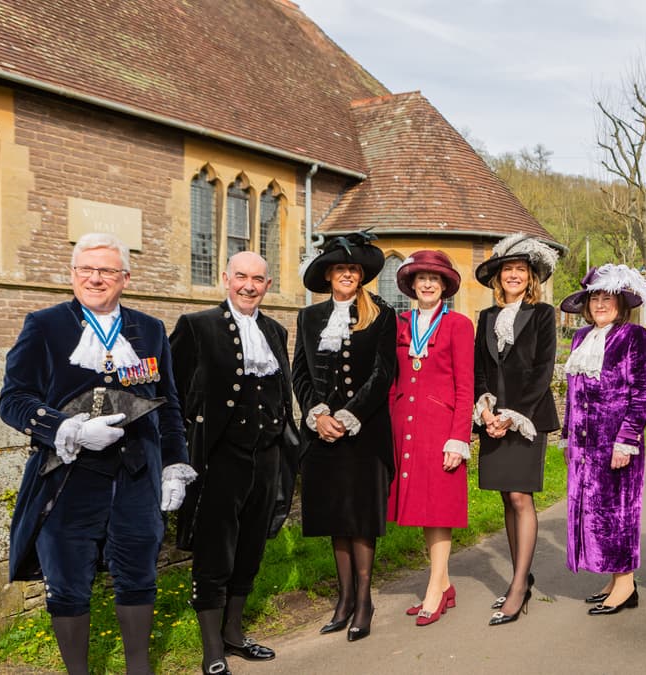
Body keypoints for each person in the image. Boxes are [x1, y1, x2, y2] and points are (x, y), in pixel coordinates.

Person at [0, 233, 193, 675]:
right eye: (86, 269)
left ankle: (139, 670)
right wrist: (65, 428)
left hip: (137, 475)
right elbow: (13, 400)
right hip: (68, 476)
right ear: (72, 275)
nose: (95, 278)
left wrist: (175, 466)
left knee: (139, 575)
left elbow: (170, 406)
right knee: (67, 581)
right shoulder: (44, 325)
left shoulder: (151, 329)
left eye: (106, 270)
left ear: (125, 277)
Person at [170, 251, 298, 674]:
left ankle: (235, 633)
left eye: (257, 279)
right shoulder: (197, 326)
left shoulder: (275, 330)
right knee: (215, 550)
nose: (248, 285)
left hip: (266, 457)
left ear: (267, 284)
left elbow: (281, 390)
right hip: (218, 458)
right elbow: (172, 393)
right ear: (225, 278)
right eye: (241, 276)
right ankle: (212, 650)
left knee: (250, 547)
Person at [292, 232, 396, 642]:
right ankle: (344, 598)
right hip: (322, 434)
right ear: (329, 275)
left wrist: (349, 415)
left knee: (360, 519)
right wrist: (317, 415)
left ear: (361, 276)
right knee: (336, 518)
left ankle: (365, 601)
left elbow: (383, 373)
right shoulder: (309, 318)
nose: (347, 275)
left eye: (353, 269)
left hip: (364, 432)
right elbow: (299, 371)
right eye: (340, 269)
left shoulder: (381, 314)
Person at [558, 264, 646, 616]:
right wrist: (568, 437)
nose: (600, 304)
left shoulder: (634, 336)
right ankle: (615, 581)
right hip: (585, 446)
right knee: (593, 513)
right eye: (595, 297)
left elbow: (644, 392)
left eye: (607, 298)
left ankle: (627, 584)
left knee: (618, 514)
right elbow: (573, 393)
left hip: (616, 443)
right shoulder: (581, 337)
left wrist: (626, 440)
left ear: (621, 304)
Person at [472, 233, 560, 626]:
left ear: (530, 278)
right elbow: (479, 370)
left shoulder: (543, 314)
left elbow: (543, 372)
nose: (513, 275)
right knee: (506, 499)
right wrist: (487, 407)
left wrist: (513, 414)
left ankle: (519, 585)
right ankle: (519, 576)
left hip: (526, 420)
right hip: (494, 419)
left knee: (522, 497)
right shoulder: (486, 318)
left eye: (520, 270)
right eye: (507, 269)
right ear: (498, 277)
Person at [387, 250, 475, 627]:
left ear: (444, 286)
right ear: (412, 284)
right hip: (404, 428)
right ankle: (445, 583)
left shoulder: (458, 324)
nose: (427, 284)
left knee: (438, 510)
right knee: (422, 510)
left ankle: (435, 590)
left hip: (440, 430)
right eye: (421, 278)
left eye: (434, 279)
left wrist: (458, 438)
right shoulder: (398, 323)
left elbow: (465, 387)